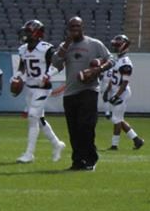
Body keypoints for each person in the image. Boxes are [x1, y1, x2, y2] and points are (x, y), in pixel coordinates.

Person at [51, 16, 114, 171]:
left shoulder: (94, 44)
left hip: (89, 89)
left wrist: (97, 70)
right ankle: (77, 161)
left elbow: (111, 60)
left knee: (86, 126)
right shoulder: (64, 46)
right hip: (70, 92)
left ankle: (91, 159)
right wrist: (66, 43)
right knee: (73, 129)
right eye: (72, 27)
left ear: (82, 27)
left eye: (77, 26)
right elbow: (56, 63)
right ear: (68, 29)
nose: (75, 29)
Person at [14, 20, 66, 164]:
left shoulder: (46, 49)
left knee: (32, 117)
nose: (25, 34)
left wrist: (48, 74)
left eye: (28, 32)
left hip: (42, 88)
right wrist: (18, 76)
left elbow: (59, 64)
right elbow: (22, 67)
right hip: (30, 88)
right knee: (39, 120)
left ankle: (29, 154)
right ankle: (57, 144)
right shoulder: (23, 49)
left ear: (37, 33)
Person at [101, 35, 144, 151]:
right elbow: (113, 78)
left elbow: (124, 83)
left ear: (124, 45)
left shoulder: (125, 62)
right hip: (116, 91)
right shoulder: (117, 60)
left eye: (117, 45)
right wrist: (108, 90)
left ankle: (114, 145)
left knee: (116, 119)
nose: (115, 47)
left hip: (122, 92)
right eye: (114, 45)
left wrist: (117, 95)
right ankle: (137, 140)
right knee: (118, 118)